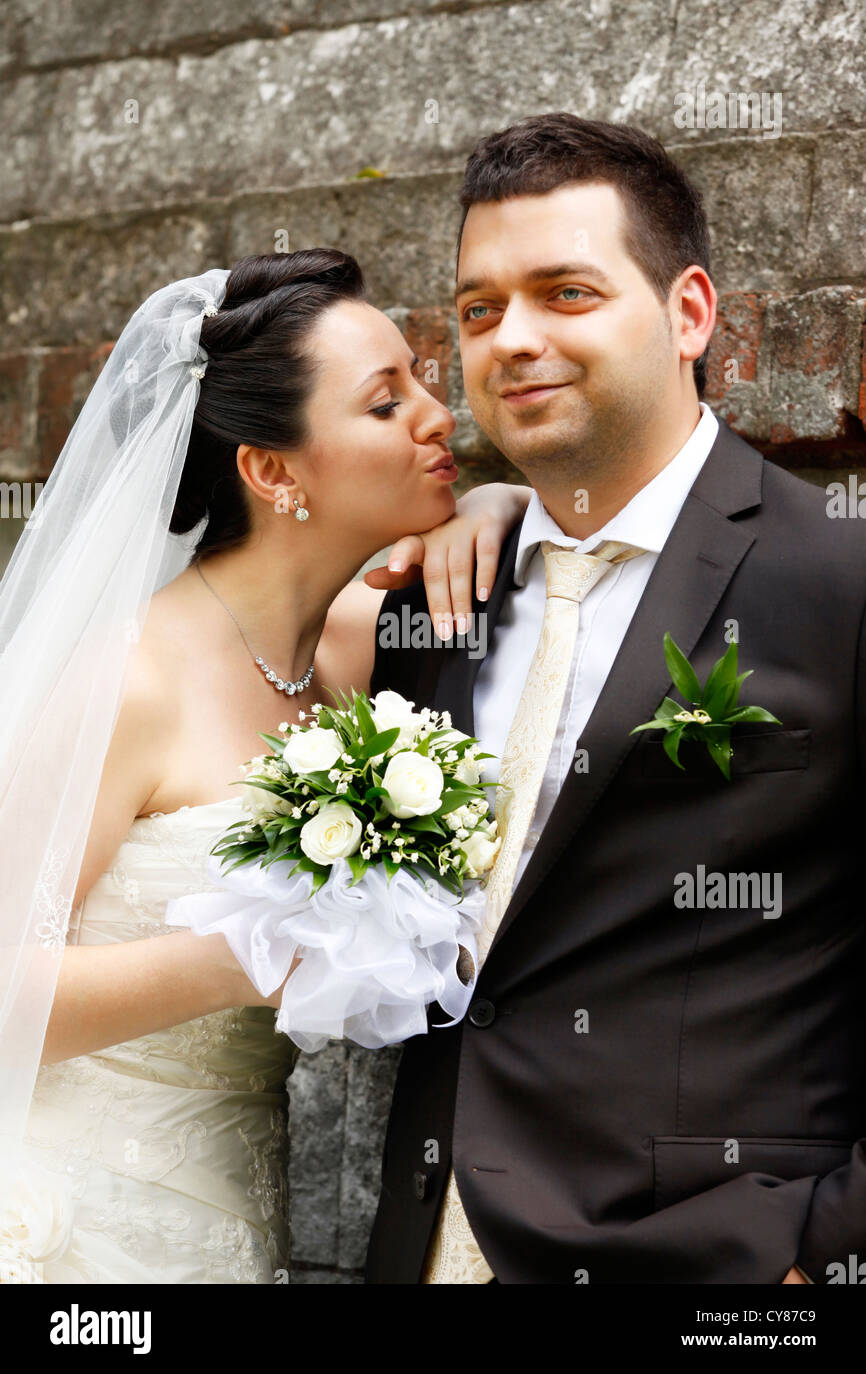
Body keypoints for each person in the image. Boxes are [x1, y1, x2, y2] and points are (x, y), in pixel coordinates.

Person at [365, 113, 866, 1285]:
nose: (512, 340)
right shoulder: (438, 600)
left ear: (687, 314)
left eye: (565, 293)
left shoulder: (836, 576)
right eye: (479, 310)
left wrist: (821, 1254)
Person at [0, 249, 529, 1284]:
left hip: (236, 1216)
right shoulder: (130, 677)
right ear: (273, 471)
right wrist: (256, 949)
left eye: (422, 378)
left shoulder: (346, 644)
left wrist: (500, 504)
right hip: (74, 1221)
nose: (436, 414)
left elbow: (529, 552)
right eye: (385, 403)